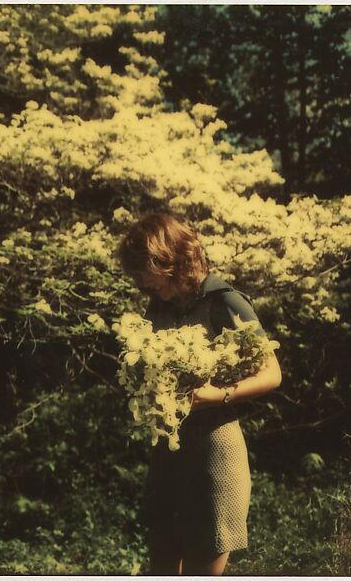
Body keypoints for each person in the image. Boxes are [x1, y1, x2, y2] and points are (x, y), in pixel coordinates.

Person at [117, 212, 282, 576]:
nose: (141, 282)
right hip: (169, 451)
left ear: (169, 259)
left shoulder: (225, 301)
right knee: (161, 560)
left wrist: (218, 395)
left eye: (144, 270)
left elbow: (272, 374)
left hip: (214, 451)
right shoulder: (158, 307)